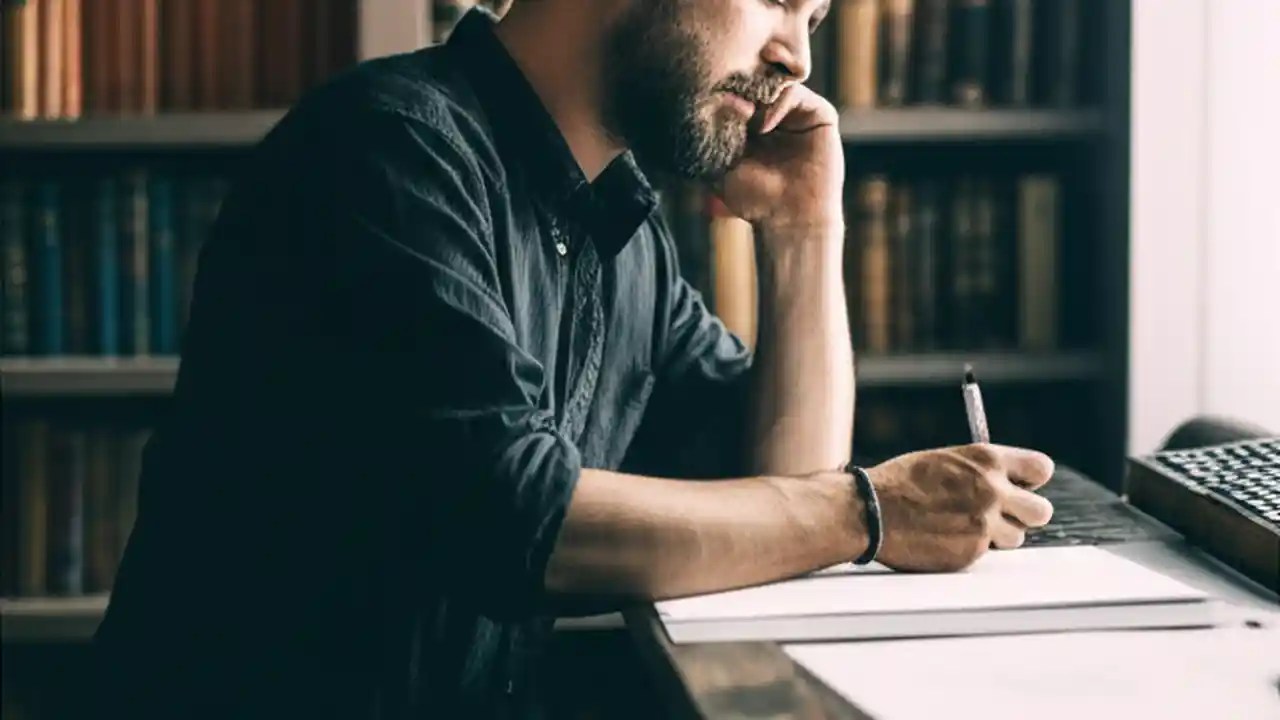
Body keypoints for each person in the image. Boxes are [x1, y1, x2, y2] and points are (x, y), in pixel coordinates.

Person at [87, 0, 1056, 718]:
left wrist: (805, 233)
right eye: (774, 0)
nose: (794, 57)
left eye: (814, 16)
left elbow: (772, 504)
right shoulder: (386, 152)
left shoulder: (621, 231)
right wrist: (868, 509)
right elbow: (515, 518)